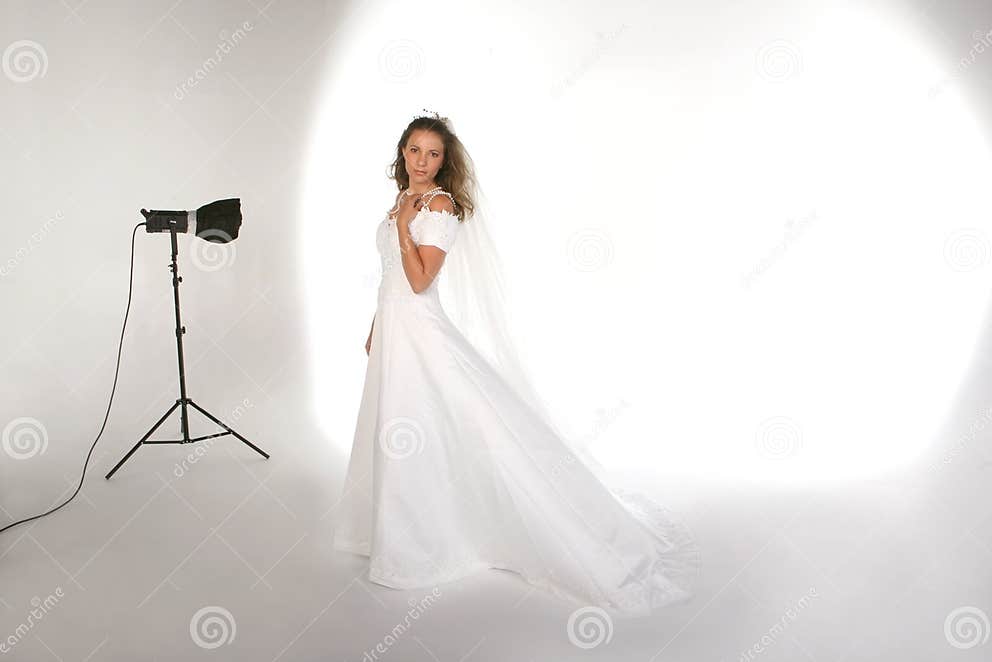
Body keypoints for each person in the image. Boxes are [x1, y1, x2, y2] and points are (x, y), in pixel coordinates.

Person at [331, 112, 702, 617]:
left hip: (421, 333)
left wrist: (401, 226)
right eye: (414, 150)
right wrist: (377, 324)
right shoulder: (402, 200)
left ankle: (454, 540)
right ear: (402, 153)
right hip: (396, 333)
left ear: (445, 160)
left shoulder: (437, 206)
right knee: (408, 428)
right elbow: (392, 275)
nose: (422, 161)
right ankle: (410, 534)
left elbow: (420, 281)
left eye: (433, 153)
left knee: (467, 423)